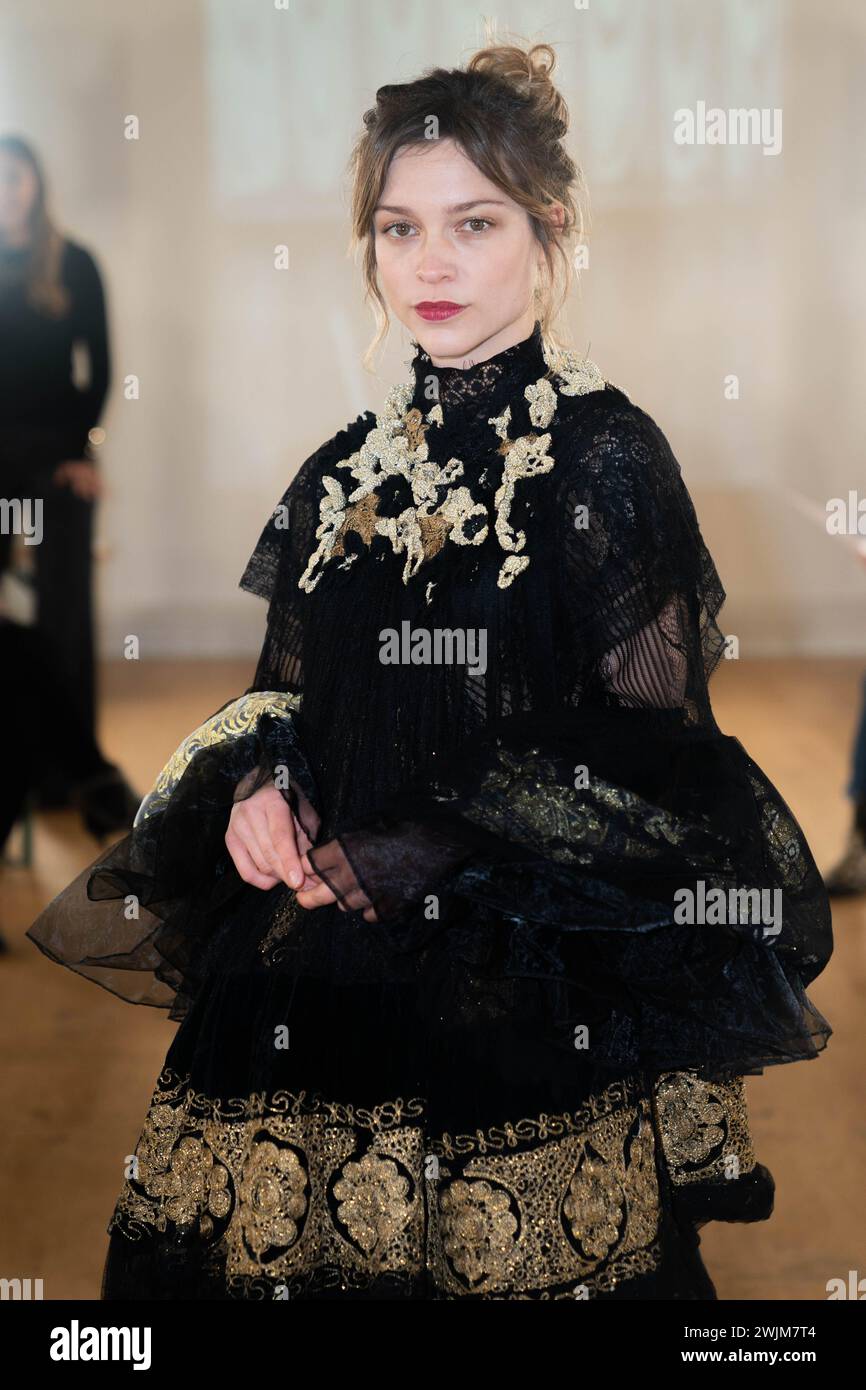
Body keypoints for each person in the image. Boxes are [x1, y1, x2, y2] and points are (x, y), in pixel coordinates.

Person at [26, 38, 833, 1302]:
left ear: (548, 228)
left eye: (474, 221)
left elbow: (659, 759)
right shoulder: (340, 471)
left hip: (519, 982)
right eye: (398, 229)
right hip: (319, 960)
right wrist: (262, 786)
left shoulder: (606, 461)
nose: (432, 263)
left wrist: (446, 832)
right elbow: (282, 698)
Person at [0, 132, 136, 816]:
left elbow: (101, 367)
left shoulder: (74, 262)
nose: (8, 190)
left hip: (57, 459)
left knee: (63, 612)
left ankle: (70, 767)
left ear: (37, 185)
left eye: (17, 177)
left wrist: (82, 453)